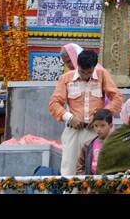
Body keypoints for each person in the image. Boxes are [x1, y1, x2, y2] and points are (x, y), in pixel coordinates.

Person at [48, 45, 123, 177]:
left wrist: (101, 116)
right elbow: (54, 104)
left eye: (88, 72)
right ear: (78, 65)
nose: (85, 75)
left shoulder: (102, 74)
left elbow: (117, 98)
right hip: (74, 131)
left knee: (95, 168)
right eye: (82, 72)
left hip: (96, 131)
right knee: (69, 171)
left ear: (94, 67)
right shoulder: (66, 78)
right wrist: (69, 117)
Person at [79, 108, 115, 175]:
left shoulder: (116, 144)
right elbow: (80, 165)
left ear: (110, 126)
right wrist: (84, 179)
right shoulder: (88, 145)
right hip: (91, 182)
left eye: (102, 126)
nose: (98, 129)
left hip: (110, 182)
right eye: (96, 126)